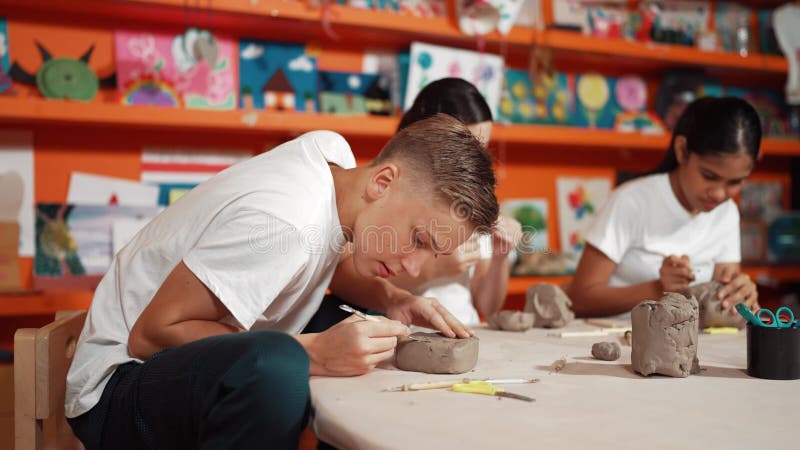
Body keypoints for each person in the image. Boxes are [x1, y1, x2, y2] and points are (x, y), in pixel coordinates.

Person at [65, 114, 499, 450]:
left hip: (176, 360)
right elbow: (150, 334)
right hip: (117, 389)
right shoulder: (283, 223)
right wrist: (316, 353)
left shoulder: (336, 163)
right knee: (277, 367)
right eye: (418, 239)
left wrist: (393, 298)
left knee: (365, 326)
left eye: (431, 252)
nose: (415, 267)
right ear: (383, 182)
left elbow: (319, 264)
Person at [310, 78, 520, 330]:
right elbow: (348, 277)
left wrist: (500, 255)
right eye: (465, 145)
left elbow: (487, 306)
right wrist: (434, 270)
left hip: (462, 329)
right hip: (398, 330)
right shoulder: (380, 199)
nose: (474, 161)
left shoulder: (471, 210)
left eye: (483, 149)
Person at [568, 96, 761, 317]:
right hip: (618, 342)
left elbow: (722, 299)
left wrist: (738, 295)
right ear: (682, 151)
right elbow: (579, 298)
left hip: (688, 344)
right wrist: (659, 289)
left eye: (735, 182)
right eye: (709, 176)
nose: (719, 194)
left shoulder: (726, 212)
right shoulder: (631, 202)